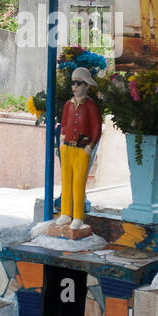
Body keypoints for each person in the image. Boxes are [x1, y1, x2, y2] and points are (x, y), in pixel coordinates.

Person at [56, 66, 102, 229]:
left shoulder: (90, 106)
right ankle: (65, 213)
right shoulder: (69, 104)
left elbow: (97, 127)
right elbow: (64, 124)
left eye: (79, 83)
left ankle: (78, 216)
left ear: (87, 86)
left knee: (78, 183)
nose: (74, 87)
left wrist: (90, 146)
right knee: (66, 181)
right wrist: (61, 141)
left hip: (82, 149)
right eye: (73, 83)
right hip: (67, 147)